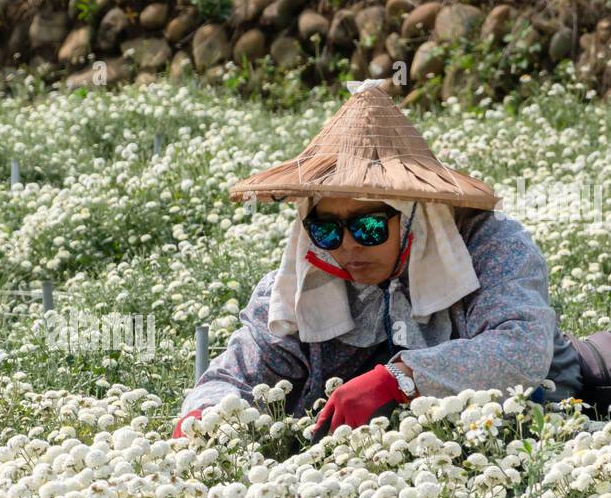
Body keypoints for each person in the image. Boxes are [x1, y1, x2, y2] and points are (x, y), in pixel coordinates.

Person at [173, 78, 582, 440]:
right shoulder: (304, 275)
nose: (347, 246)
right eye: (326, 228)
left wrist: (400, 379)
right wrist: (204, 415)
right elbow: (239, 373)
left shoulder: (490, 246)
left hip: (510, 429)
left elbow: (519, 350)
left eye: (369, 227)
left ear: (411, 218)